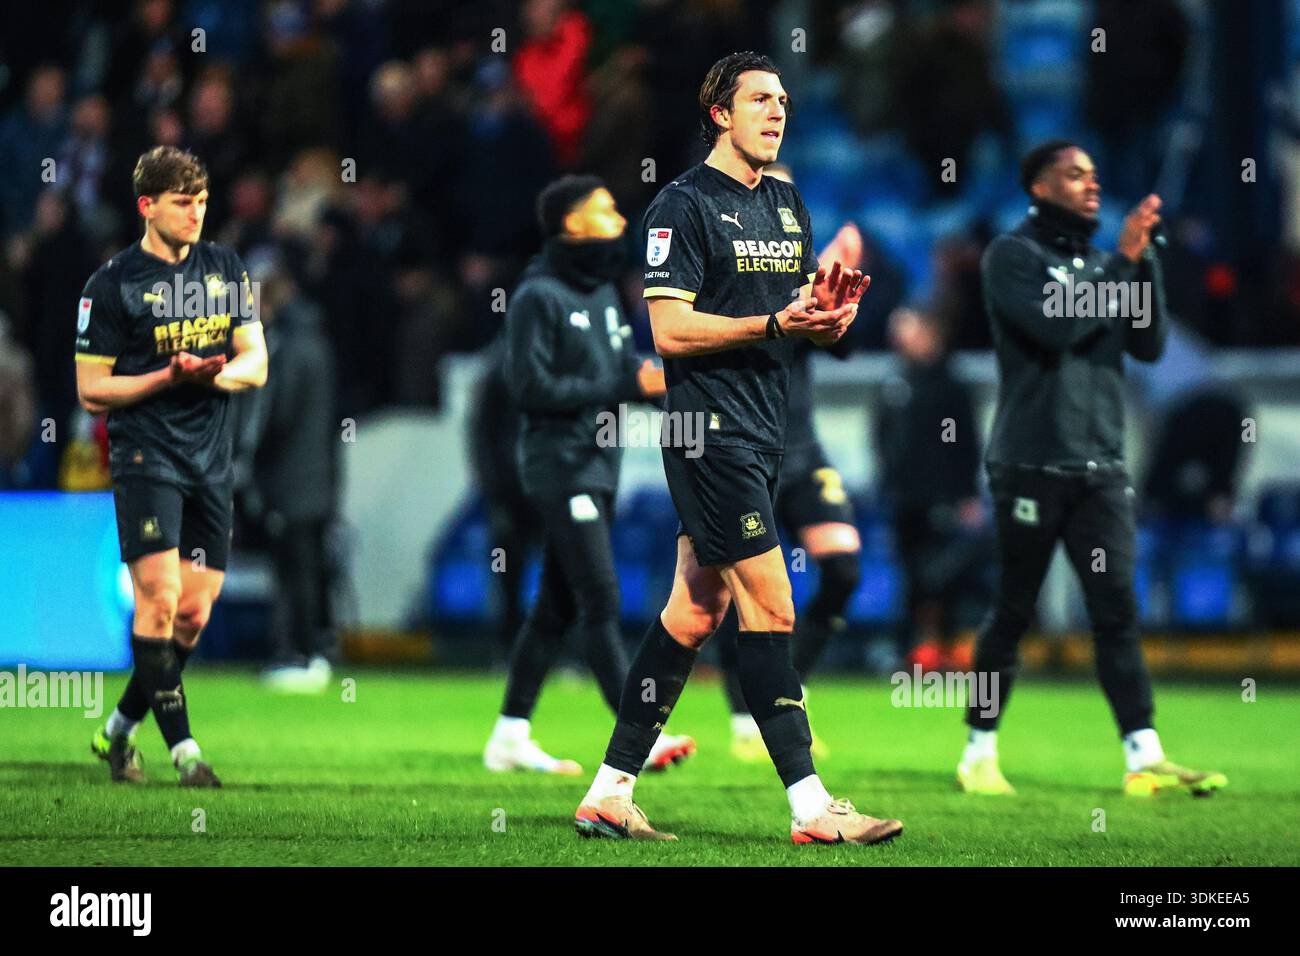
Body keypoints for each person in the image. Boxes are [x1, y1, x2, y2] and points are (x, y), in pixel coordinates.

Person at [574, 52, 902, 845]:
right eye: (759, 99)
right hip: (707, 433)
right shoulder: (679, 206)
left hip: (768, 432)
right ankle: (811, 807)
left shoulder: (788, 204)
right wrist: (774, 325)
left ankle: (610, 792)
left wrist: (826, 313)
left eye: (784, 99)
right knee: (774, 602)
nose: (777, 111)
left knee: (695, 610)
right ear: (719, 113)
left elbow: (791, 316)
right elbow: (669, 328)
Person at [958, 140, 1226, 797]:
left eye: (1095, 174)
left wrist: (1146, 261)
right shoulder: (1013, 256)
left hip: (1102, 464)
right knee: (1015, 608)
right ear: (1040, 187)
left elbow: (1150, 342)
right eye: (1075, 175)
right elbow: (1056, 328)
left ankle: (1143, 753)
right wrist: (1125, 261)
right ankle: (978, 750)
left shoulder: (1107, 263)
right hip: (1029, 462)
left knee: (1115, 610)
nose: (1091, 184)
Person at [482, 174, 695, 776]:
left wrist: (662, 389)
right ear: (570, 224)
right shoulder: (535, 297)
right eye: (604, 209)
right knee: (601, 595)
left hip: (600, 465)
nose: (620, 220)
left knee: (555, 607)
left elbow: (623, 371)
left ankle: (509, 734)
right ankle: (639, 733)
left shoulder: (603, 293)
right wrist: (628, 383)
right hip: (560, 466)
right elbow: (530, 388)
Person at [81, 146, 268, 787]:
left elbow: (256, 361)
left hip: (211, 460)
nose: (196, 214)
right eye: (183, 203)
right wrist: (165, 376)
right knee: (158, 597)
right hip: (144, 455)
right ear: (147, 206)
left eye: (203, 202)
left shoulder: (226, 267)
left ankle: (117, 732)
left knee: (193, 613)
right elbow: (90, 390)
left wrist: (213, 376)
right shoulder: (112, 285)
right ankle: (187, 753)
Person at [714, 163, 864, 762]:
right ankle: (743, 719)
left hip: (801, 446)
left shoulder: (803, 267)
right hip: (741, 445)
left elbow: (843, 348)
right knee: (733, 591)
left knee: (845, 568)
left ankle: (781, 693)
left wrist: (832, 301)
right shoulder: (720, 265)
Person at [876, 306, 986, 672]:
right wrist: (888, 482)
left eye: (906, 330)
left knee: (943, 574)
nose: (898, 338)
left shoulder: (951, 385)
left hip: (943, 497)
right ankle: (910, 649)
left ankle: (947, 644)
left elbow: (965, 443)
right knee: (909, 573)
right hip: (905, 498)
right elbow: (882, 440)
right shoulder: (894, 383)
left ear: (928, 333)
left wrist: (966, 494)